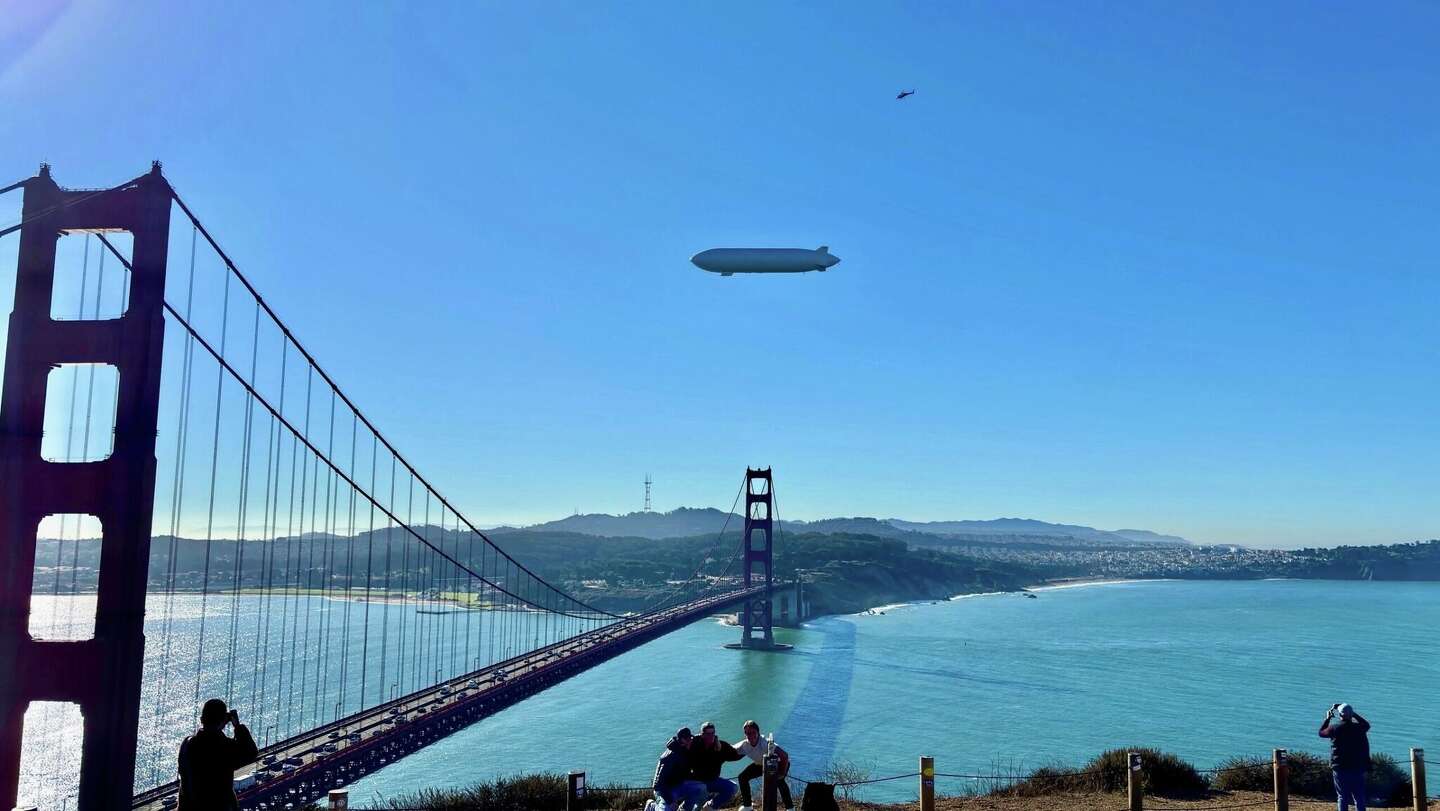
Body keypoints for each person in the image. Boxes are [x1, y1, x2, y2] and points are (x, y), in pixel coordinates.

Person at [177, 698, 258, 811]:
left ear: (202, 719)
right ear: (223, 720)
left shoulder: (187, 744)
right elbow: (251, 752)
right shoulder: (225, 747)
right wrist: (238, 727)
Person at [1319, 702, 1371, 811]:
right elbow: (1367, 724)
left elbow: (1321, 733)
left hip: (1340, 767)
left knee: (1342, 796)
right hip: (1357, 767)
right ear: (1351, 715)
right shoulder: (1359, 728)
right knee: (1359, 796)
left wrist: (1327, 718)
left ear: (1340, 715)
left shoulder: (1334, 728)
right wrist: (1353, 714)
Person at [733, 719, 793, 811]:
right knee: (742, 777)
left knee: (780, 782)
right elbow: (730, 750)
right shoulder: (744, 745)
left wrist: (781, 773)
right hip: (762, 764)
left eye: (753, 732)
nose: (751, 735)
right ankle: (748, 807)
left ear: (758, 732)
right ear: (745, 734)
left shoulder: (766, 743)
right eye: (748, 733)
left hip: (779, 764)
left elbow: (784, 756)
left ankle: (790, 808)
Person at [650, 727, 707, 811]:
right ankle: (652, 806)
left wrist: (714, 738)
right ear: (681, 740)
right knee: (668, 808)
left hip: (680, 784)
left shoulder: (686, 746)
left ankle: (685, 809)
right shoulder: (669, 757)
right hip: (664, 790)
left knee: (702, 788)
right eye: (687, 739)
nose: (690, 741)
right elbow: (658, 784)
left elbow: (699, 737)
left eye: (690, 738)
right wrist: (670, 801)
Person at [688, 721, 742, 808]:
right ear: (702, 734)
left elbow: (735, 755)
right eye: (708, 734)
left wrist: (749, 747)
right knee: (698, 799)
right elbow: (682, 743)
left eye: (713, 733)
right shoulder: (694, 744)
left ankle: (710, 807)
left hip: (713, 781)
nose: (711, 736)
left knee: (733, 788)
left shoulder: (720, 746)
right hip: (697, 782)